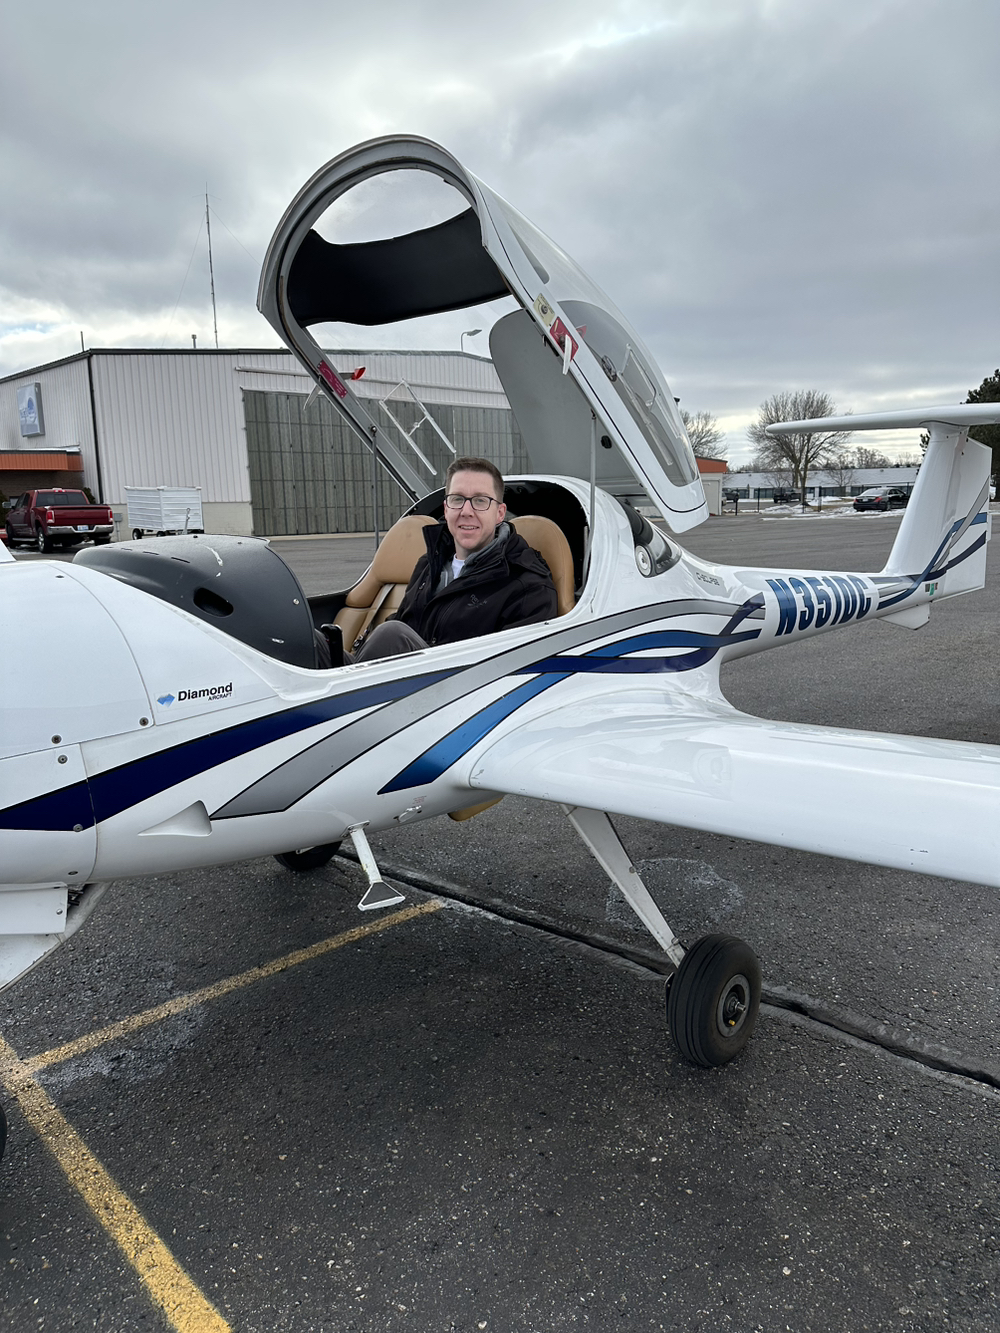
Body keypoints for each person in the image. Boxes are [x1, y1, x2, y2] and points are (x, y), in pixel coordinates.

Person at [353, 456, 558, 661]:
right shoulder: (428, 565)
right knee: (320, 646)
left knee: (390, 635)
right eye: (457, 499)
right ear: (446, 508)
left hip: (456, 688)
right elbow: (405, 625)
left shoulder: (528, 586)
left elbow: (512, 671)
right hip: (397, 677)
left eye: (480, 500)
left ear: (500, 513)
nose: (466, 511)